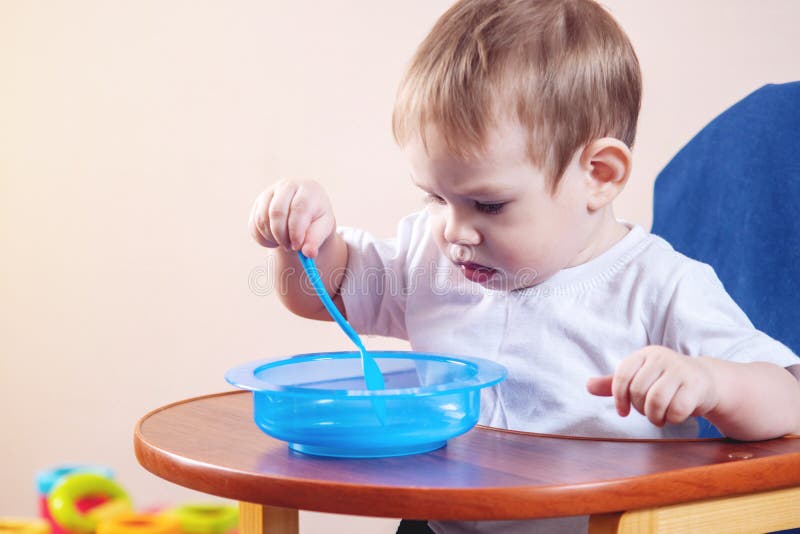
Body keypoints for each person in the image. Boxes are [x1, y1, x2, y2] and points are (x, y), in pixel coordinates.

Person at [247, 0, 800, 532]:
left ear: (599, 175)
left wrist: (711, 381)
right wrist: (303, 241)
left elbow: (788, 401)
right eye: (436, 198)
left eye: (488, 204)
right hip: (444, 523)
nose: (453, 230)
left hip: (600, 529)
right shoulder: (432, 255)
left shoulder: (660, 285)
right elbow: (326, 294)